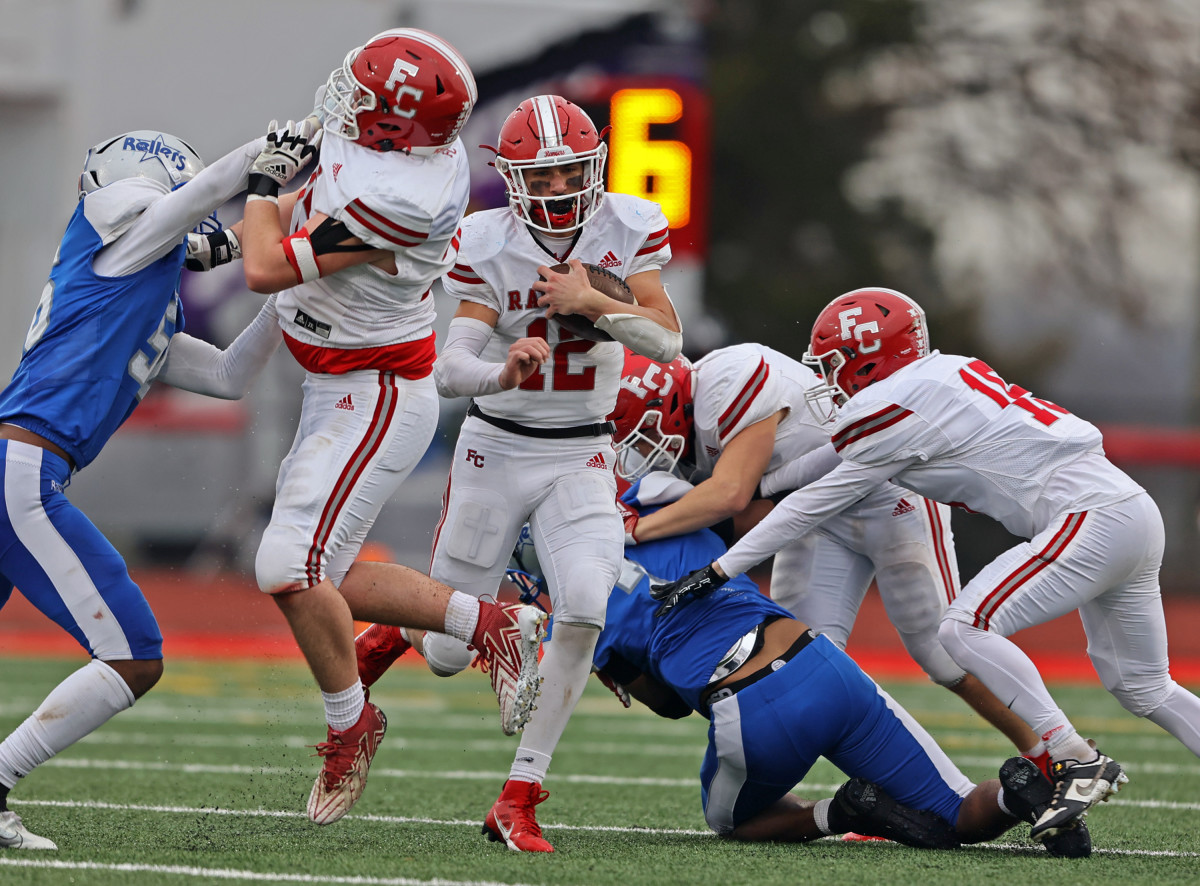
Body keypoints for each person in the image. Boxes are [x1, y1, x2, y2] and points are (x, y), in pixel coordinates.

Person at [653, 286, 1200, 843]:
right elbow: (828, 461)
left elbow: (813, 502)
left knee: (962, 628)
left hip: (1090, 517)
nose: (830, 379)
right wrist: (762, 487)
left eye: (836, 364)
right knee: (1145, 687)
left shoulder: (890, 404)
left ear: (869, 358)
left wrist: (720, 569)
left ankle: (1071, 756)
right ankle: (1064, 756)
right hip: (1128, 510)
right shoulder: (940, 375)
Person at [234, 29, 548, 827]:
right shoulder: (398, 151)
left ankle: (353, 726)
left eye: (366, 96)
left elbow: (267, 265)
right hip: (340, 379)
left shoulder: (404, 196)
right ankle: (494, 625)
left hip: (372, 390)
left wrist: (259, 195)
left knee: (285, 565)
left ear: (397, 127)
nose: (346, 97)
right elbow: (300, 210)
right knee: (322, 576)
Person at [355, 93, 682, 852]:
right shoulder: (483, 240)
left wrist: (591, 301)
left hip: (583, 452)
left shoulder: (628, 226)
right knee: (443, 655)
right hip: (495, 449)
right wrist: (503, 373)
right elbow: (449, 367)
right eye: (545, 176)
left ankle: (520, 796)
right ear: (511, 179)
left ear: (594, 166)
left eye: (573, 172)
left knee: (586, 608)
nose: (562, 189)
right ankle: (396, 633)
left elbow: (667, 341)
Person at [0, 122, 319, 850]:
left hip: (16, 469)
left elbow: (231, 379)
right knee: (134, 654)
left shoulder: (145, 298)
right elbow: (195, 201)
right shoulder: (108, 238)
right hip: (21, 472)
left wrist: (289, 290)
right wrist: (265, 164)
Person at [572, 471, 1088, 856]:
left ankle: (839, 811)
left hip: (750, 709)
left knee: (730, 823)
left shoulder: (574, 603)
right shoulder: (661, 501)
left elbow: (668, 707)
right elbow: (744, 505)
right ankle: (1021, 793)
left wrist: (615, 661)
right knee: (958, 813)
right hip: (823, 663)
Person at [612, 345, 1043, 762]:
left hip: (889, 499)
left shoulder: (730, 377)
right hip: (812, 521)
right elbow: (733, 511)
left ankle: (1050, 751)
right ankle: (894, 790)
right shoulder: (688, 436)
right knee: (809, 671)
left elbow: (731, 493)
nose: (645, 449)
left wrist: (637, 528)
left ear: (668, 401)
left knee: (943, 653)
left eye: (646, 431)